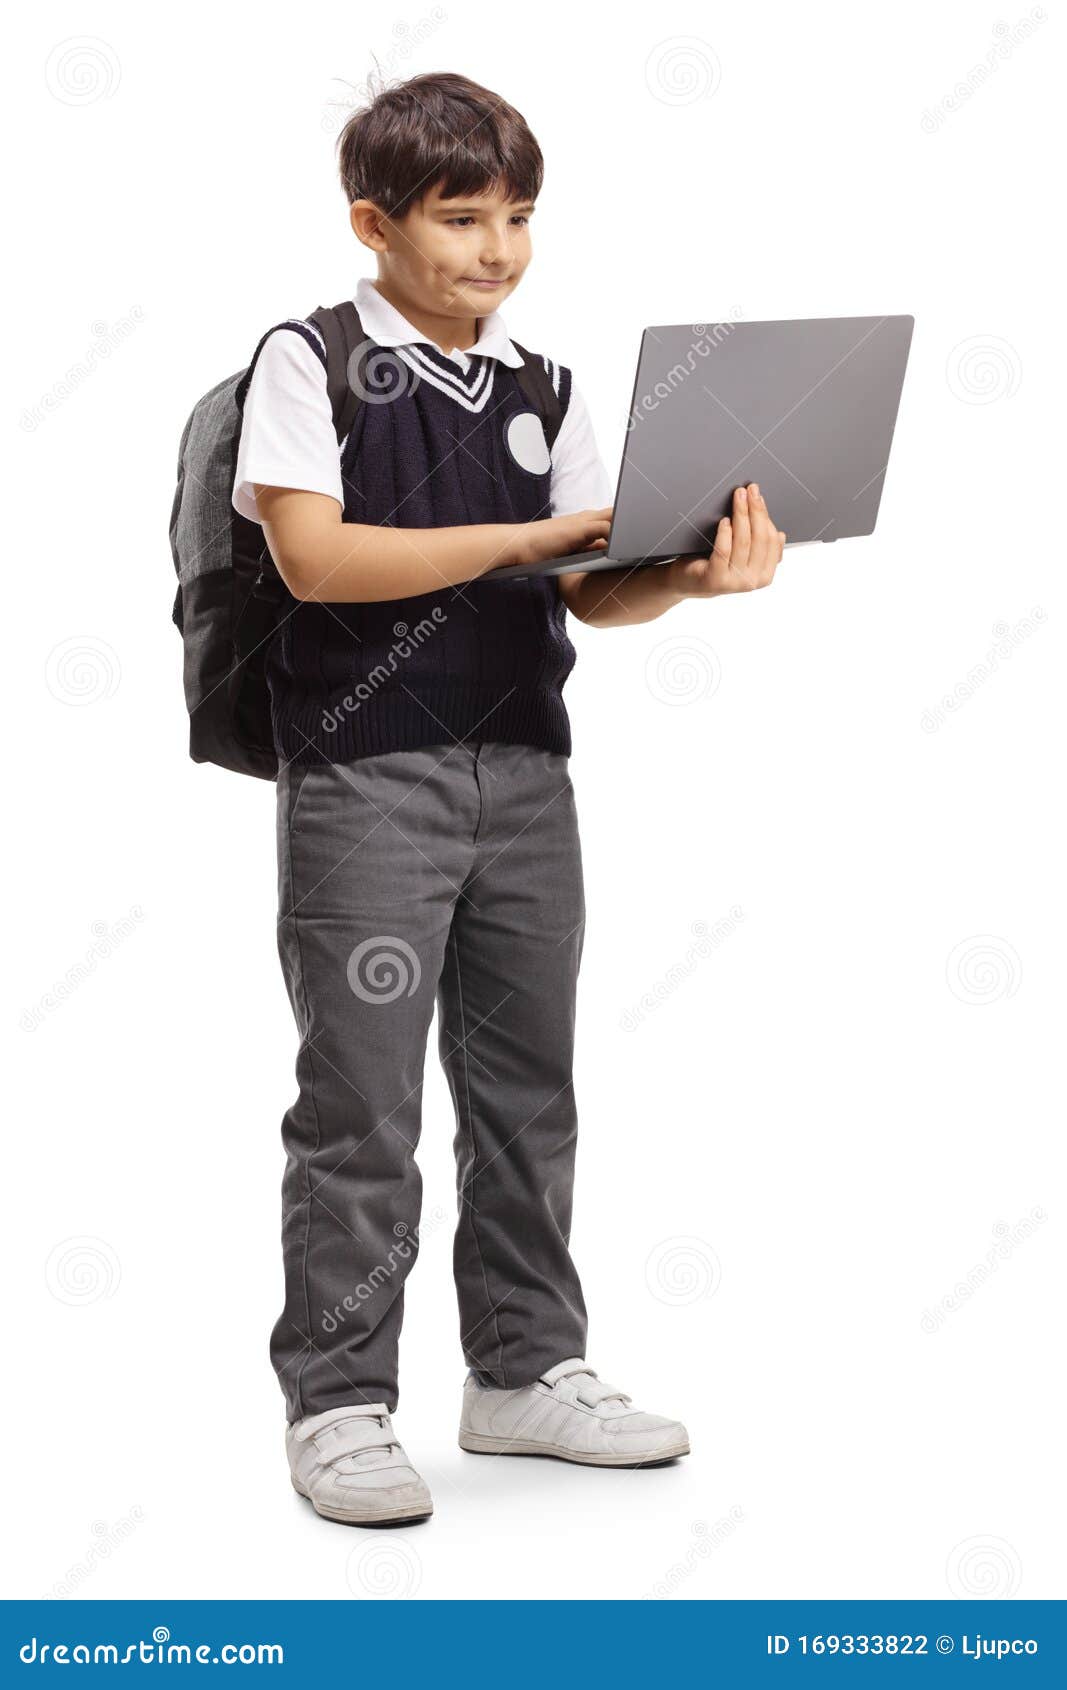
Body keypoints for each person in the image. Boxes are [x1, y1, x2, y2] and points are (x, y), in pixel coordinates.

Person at [233, 70, 785, 1525]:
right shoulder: (313, 361)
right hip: (367, 776)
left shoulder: (550, 385)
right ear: (376, 221)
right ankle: (341, 1399)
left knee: (528, 1093)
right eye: (461, 216)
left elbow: (590, 590)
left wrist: (687, 573)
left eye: (519, 216)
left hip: (527, 773)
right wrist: (535, 533)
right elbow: (317, 559)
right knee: (361, 1100)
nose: (496, 248)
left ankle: (524, 1368)